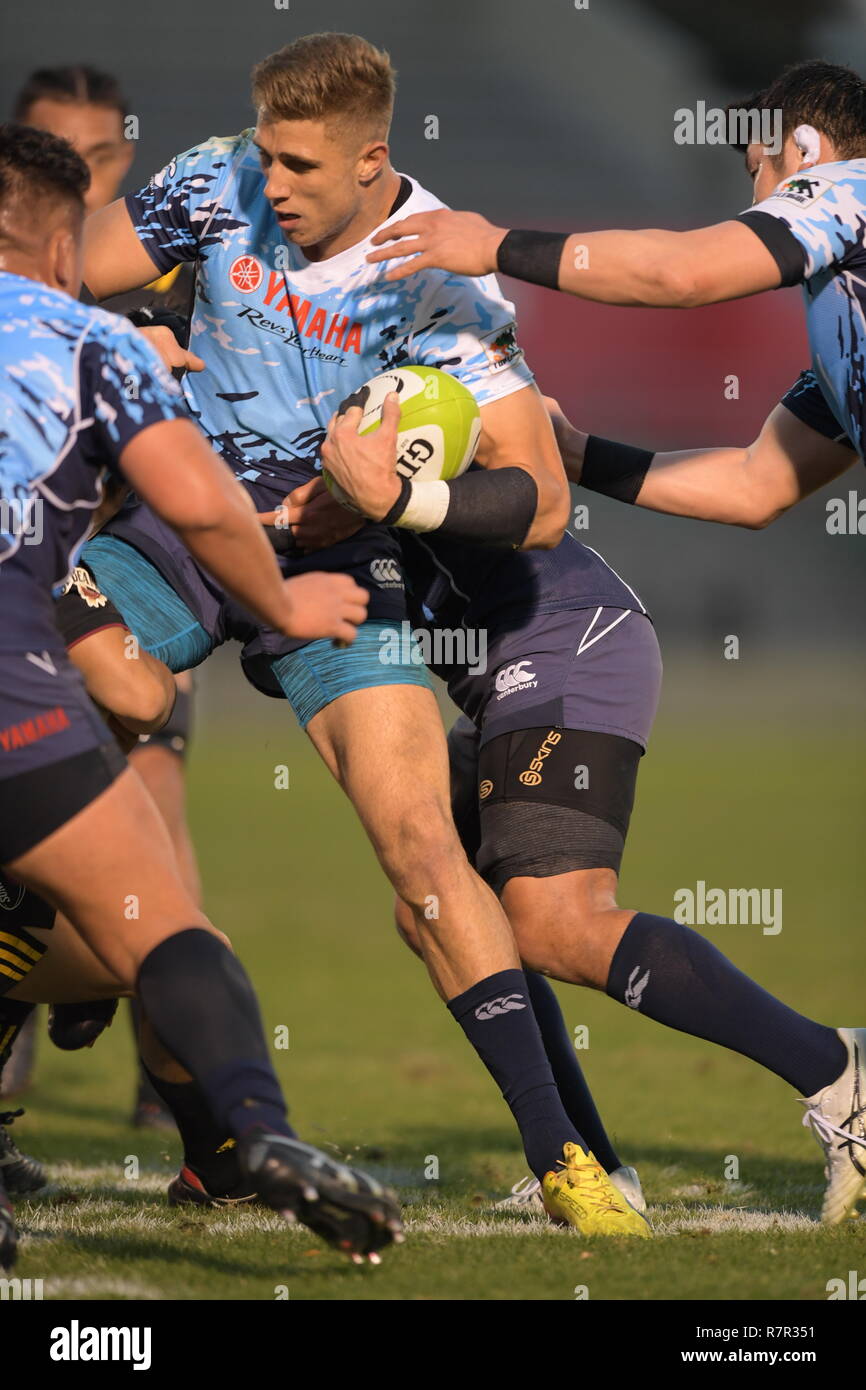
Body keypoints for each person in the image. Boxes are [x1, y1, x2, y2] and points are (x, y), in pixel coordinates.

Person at [79, 30, 647, 1235]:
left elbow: (538, 499)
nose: (268, 183)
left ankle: (567, 1166)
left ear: (371, 159)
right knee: (92, 696)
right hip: (188, 521)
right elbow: (67, 267)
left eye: (296, 164)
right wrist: (124, 330)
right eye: (265, 154)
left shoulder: (436, 275)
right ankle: (69, 957)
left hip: (335, 560)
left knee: (420, 847)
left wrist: (398, 501)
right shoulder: (214, 175)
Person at [353, 56, 866, 1226]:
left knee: (539, 915)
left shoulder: (850, 195)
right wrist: (578, 456)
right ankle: (593, 1164)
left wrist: (492, 243)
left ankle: (837, 1073)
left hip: (566, 643)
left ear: (794, 153)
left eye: (754, 172)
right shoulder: (840, 338)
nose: (754, 198)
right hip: (556, 643)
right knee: (448, 899)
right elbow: (749, 487)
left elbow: (684, 272)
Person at [0, 122, 400, 1269]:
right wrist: (279, 605)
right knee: (161, 921)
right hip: (16, 685)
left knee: (32, 928)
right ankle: (257, 1137)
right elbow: (208, 506)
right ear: (67, 247)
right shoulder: (91, 342)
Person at [9, 62, 199, 1129]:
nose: (76, 171)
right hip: (24, 607)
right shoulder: (20, 285)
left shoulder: (159, 289)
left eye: (97, 156)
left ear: (124, 161)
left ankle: (180, 1096)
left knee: (153, 835)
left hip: (117, 588)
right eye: (51, 150)